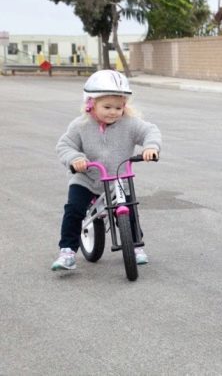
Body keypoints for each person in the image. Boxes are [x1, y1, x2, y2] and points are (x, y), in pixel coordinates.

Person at [52, 70, 161, 271]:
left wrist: (150, 147)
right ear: (91, 104)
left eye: (119, 107)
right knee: (74, 210)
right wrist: (76, 158)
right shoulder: (80, 125)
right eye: (107, 107)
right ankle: (67, 251)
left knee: (129, 209)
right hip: (87, 178)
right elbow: (64, 145)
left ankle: (136, 246)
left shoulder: (129, 124)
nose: (113, 112)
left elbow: (150, 131)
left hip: (118, 178)